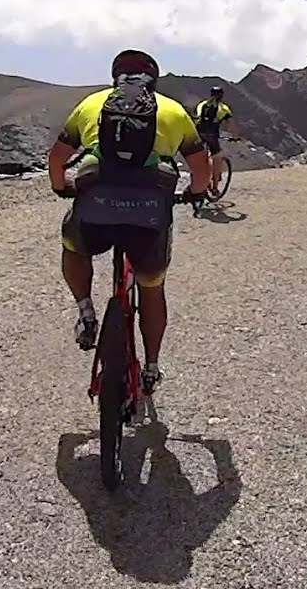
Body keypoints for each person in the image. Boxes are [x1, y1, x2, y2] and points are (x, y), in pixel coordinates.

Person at [47, 49, 211, 395]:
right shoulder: (172, 110)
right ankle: (150, 367)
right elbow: (200, 167)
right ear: (153, 79)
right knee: (151, 286)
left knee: (73, 243)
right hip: (148, 217)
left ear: (115, 77)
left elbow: (57, 158)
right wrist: (195, 194)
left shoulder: (92, 104)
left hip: (96, 210)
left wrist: (61, 187)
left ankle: (86, 311)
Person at [191, 86, 240, 194]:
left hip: (198, 134)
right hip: (212, 135)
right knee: (217, 157)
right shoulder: (223, 108)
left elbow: (196, 118)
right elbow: (231, 124)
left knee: (201, 156)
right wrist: (235, 136)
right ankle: (214, 187)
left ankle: (201, 180)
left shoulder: (202, 104)